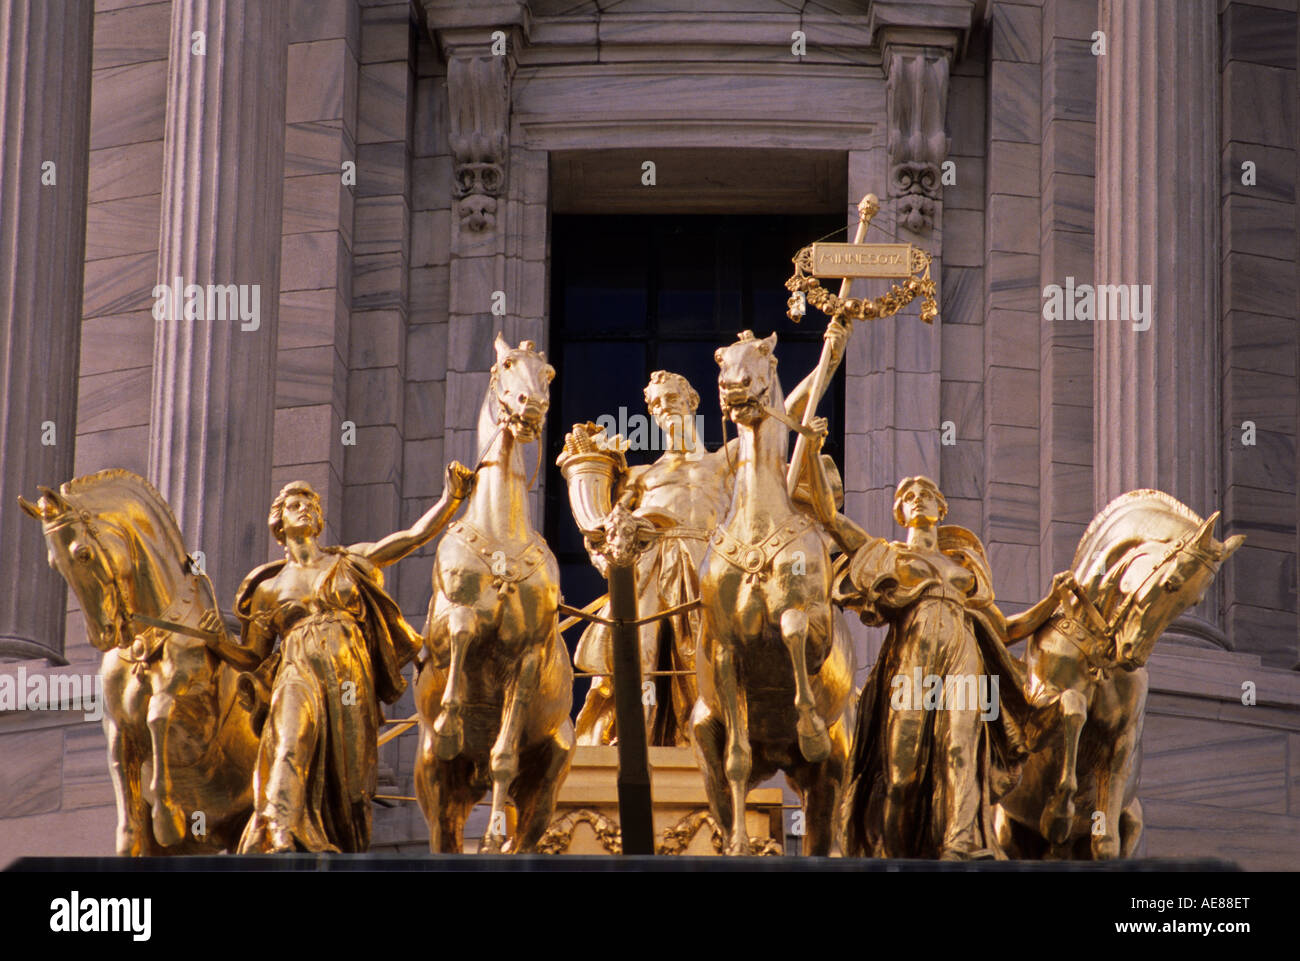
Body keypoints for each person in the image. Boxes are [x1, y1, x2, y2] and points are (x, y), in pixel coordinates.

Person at [222, 462, 474, 853]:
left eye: (310, 501)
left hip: (348, 676)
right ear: (279, 523)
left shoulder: (349, 561)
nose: (304, 507)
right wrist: (212, 639)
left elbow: (412, 537)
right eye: (294, 503)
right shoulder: (268, 588)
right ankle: (279, 831)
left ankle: (338, 842)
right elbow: (252, 654)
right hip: (296, 669)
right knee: (288, 740)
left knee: (350, 776)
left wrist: (451, 498)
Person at [833, 475, 1031, 859]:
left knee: (961, 746)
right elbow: (830, 518)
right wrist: (808, 444)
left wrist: (1056, 604)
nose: (918, 499)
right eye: (909, 496)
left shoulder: (964, 565)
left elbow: (1004, 629)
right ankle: (891, 855)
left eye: (927, 495)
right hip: (913, 660)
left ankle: (959, 845)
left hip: (963, 651)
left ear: (942, 508)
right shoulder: (889, 557)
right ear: (900, 512)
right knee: (900, 775)